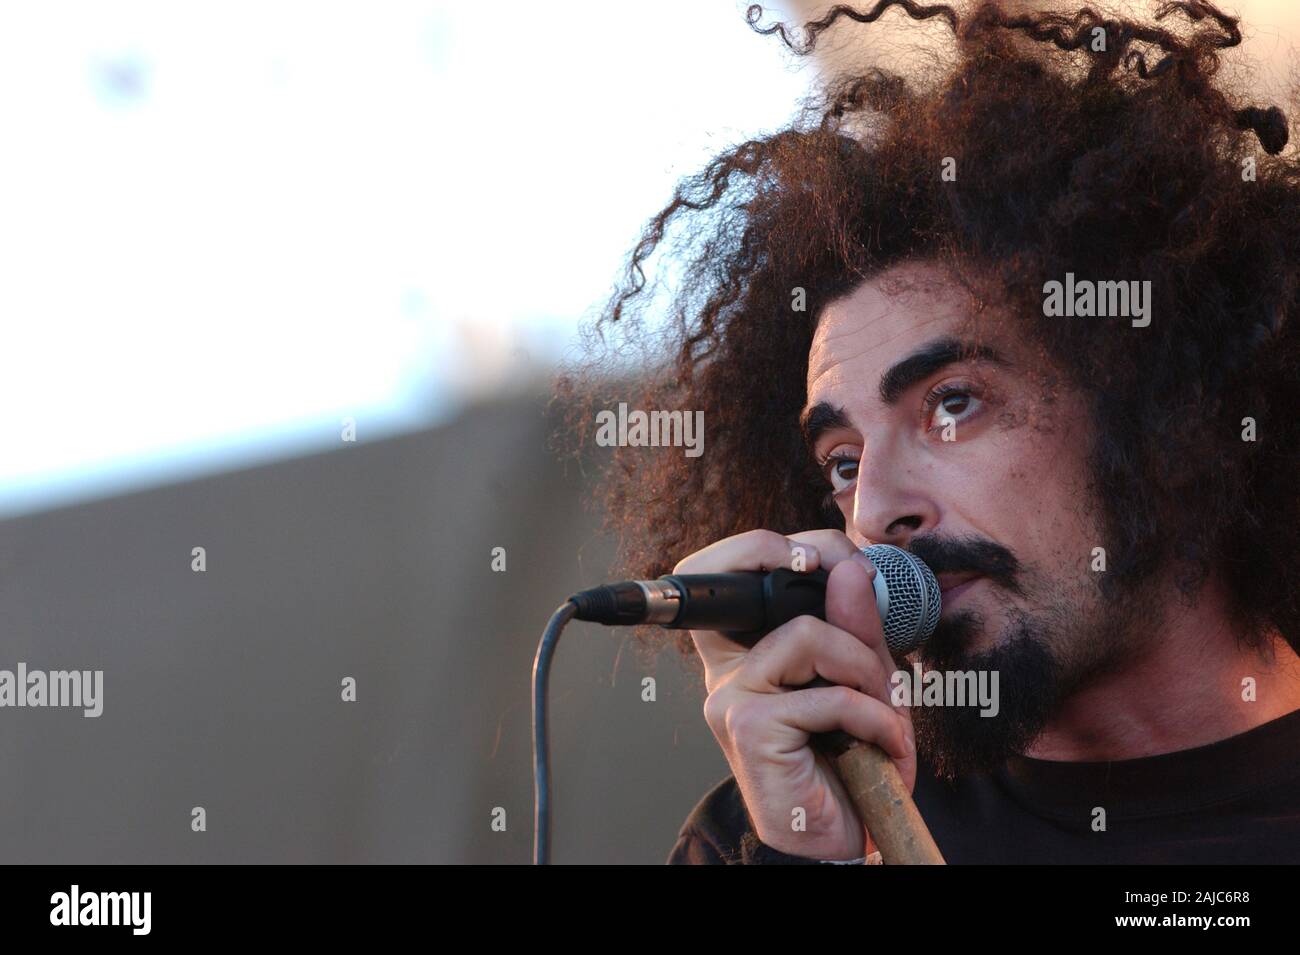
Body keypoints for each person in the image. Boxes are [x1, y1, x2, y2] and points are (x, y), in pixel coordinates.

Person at [562, 0, 1300, 863]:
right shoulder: (779, 836)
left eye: (951, 404)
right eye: (841, 462)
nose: (872, 512)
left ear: (1161, 404)